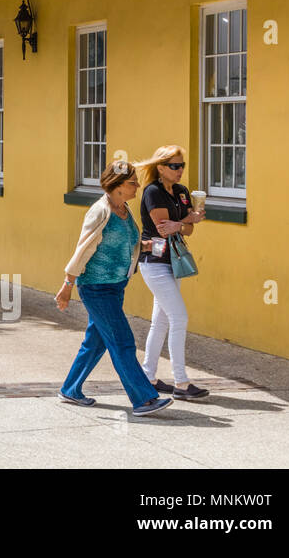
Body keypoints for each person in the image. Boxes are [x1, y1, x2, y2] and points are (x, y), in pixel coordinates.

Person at [55, 158, 172, 416]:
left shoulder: (124, 209)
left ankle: (70, 389)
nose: (137, 186)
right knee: (122, 341)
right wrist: (67, 284)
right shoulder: (100, 210)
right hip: (96, 288)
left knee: (95, 342)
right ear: (117, 185)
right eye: (132, 183)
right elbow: (83, 249)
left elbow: (123, 241)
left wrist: (143, 246)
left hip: (116, 285)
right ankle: (143, 399)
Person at [136, 145, 209, 400]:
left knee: (162, 320)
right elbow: (164, 229)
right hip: (154, 261)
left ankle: (148, 376)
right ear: (160, 168)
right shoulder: (153, 192)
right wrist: (188, 220)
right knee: (179, 318)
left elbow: (185, 230)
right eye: (174, 166)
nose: (179, 171)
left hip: (174, 260)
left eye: (182, 166)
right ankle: (181, 382)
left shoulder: (181, 192)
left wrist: (183, 223)